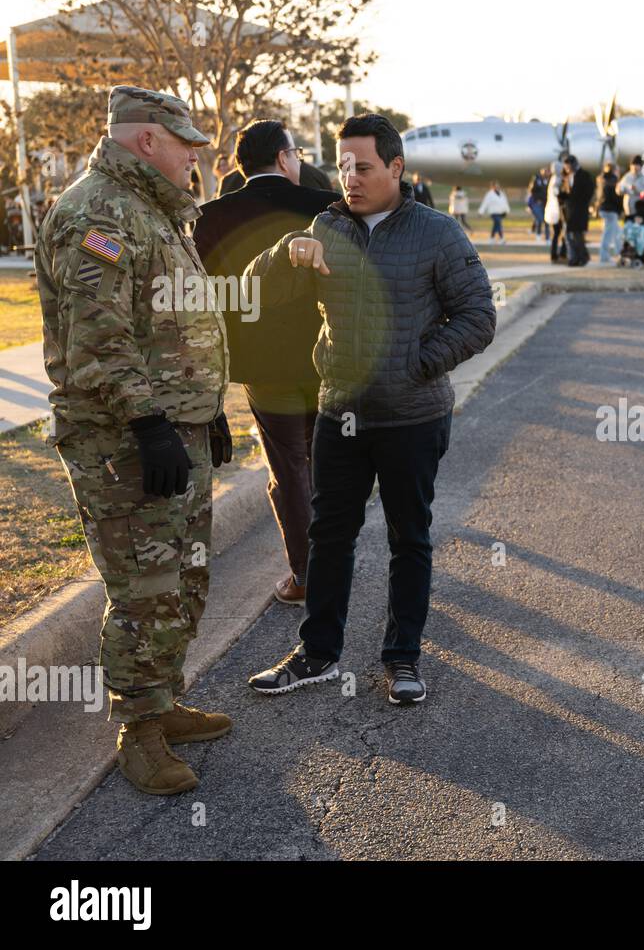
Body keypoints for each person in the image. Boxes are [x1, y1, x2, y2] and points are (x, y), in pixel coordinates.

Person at [244, 114, 496, 705]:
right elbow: (259, 288)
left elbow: (479, 316)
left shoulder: (438, 232)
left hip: (414, 415)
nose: (351, 178)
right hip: (340, 414)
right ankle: (317, 655)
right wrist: (287, 253)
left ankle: (402, 660)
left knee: (410, 537)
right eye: (344, 166)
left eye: (364, 166)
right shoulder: (324, 227)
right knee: (330, 535)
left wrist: (416, 363)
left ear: (396, 168)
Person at [36, 86, 232, 795]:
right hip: (120, 441)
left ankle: (163, 701)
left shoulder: (154, 210)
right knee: (144, 588)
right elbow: (100, 340)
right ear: (147, 138)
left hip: (173, 428)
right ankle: (139, 733)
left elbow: (173, 322)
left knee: (185, 576)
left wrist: (204, 410)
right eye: (187, 144)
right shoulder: (96, 211)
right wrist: (151, 424)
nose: (195, 158)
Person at [193, 119, 338, 607]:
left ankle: (304, 573)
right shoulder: (326, 209)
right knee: (327, 463)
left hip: (259, 366)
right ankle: (333, 564)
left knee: (289, 468)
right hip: (326, 357)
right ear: (283, 158)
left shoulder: (209, 218)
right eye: (295, 154)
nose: (298, 161)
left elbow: (202, 301)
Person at [561, 154, 594, 266]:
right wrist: (562, 196)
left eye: (568, 166)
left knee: (577, 235)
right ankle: (576, 257)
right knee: (571, 235)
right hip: (570, 210)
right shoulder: (568, 177)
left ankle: (582, 257)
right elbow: (568, 192)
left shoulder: (584, 175)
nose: (566, 169)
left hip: (580, 210)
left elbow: (588, 192)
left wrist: (581, 202)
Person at [596, 161, 622, 263]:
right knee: (608, 234)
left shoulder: (601, 179)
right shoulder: (613, 180)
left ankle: (619, 252)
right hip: (610, 210)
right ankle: (604, 256)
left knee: (617, 232)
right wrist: (621, 208)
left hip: (604, 208)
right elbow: (615, 197)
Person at [545, 160, 565, 262]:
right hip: (556, 211)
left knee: (557, 233)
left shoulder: (553, 179)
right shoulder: (557, 179)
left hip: (553, 210)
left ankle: (557, 254)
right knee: (558, 233)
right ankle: (556, 255)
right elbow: (557, 193)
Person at [527, 167, 548, 241]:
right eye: (544, 171)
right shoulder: (536, 179)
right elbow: (532, 190)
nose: (545, 173)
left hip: (545, 203)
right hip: (537, 203)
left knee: (543, 220)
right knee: (539, 219)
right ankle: (538, 235)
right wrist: (537, 200)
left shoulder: (547, 180)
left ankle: (546, 237)